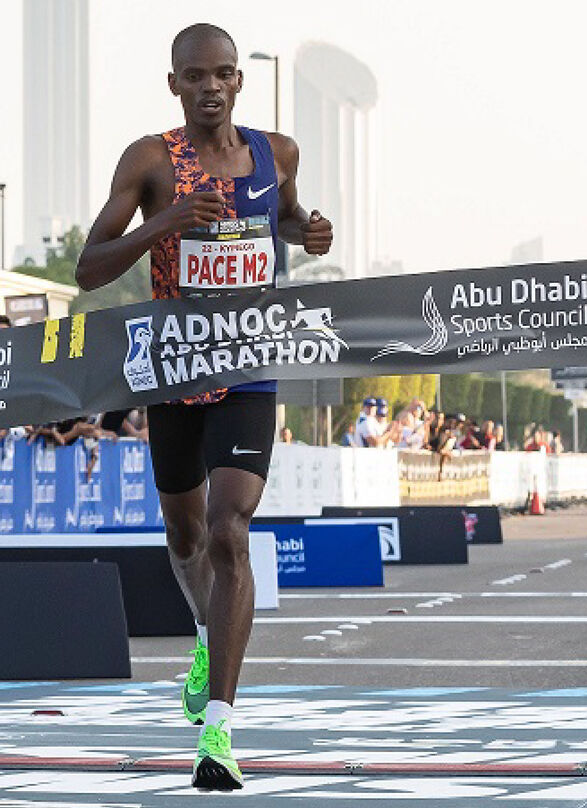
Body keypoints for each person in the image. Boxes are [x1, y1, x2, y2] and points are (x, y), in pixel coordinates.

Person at [76, 23, 332, 792]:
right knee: (184, 534)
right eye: (197, 76)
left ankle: (218, 730)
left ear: (239, 83)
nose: (212, 86)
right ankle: (200, 633)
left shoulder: (275, 152)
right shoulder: (150, 160)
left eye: (224, 73)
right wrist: (166, 222)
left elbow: (280, 217)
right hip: (175, 370)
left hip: (248, 361)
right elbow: (89, 268)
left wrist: (307, 229)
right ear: (175, 85)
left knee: (229, 529)